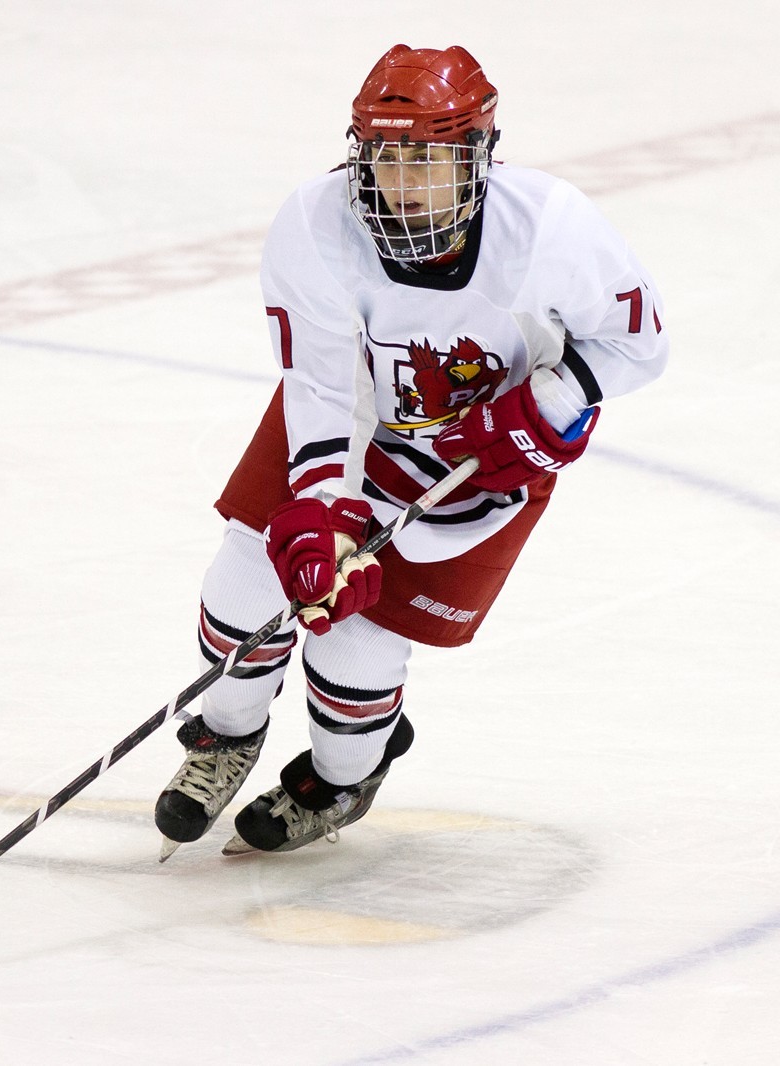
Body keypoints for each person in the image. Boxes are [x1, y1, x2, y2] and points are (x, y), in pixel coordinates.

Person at [154, 43, 669, 859]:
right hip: (356, 416)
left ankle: (343, 776)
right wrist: (323, 507)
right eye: (388, 155)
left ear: (480, 156)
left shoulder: (550, 228)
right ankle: (223, 735)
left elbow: (640, 343)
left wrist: (544, 407)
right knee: (250, 578)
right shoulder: (315, 224)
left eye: (430, 157)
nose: (405, 178)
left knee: (358, 646)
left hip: (487, 457)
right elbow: (320, 385)